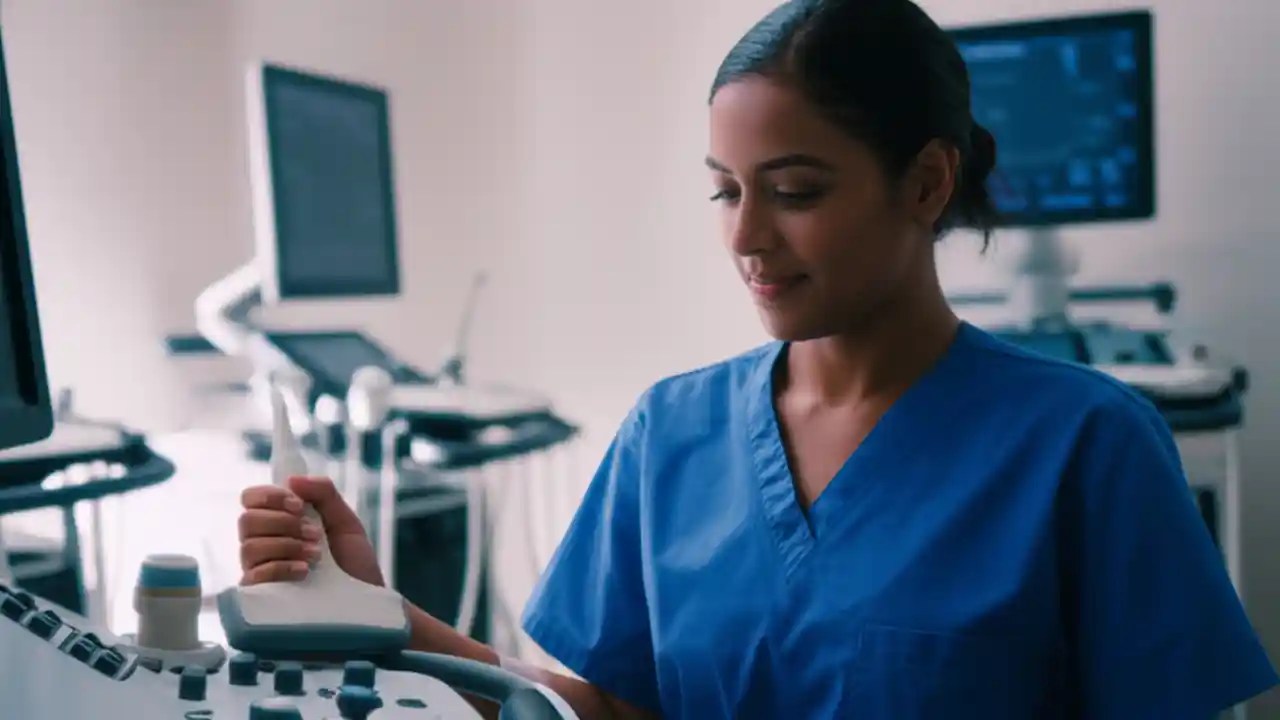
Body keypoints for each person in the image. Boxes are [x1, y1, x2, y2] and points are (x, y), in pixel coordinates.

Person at [235, 0, 1278, 717]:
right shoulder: (669, 434)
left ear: (923, 183)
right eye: (724, 190)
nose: (743, 238)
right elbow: (601, 712)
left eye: (794, 190)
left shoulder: (1086, 446)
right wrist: (378, 611)